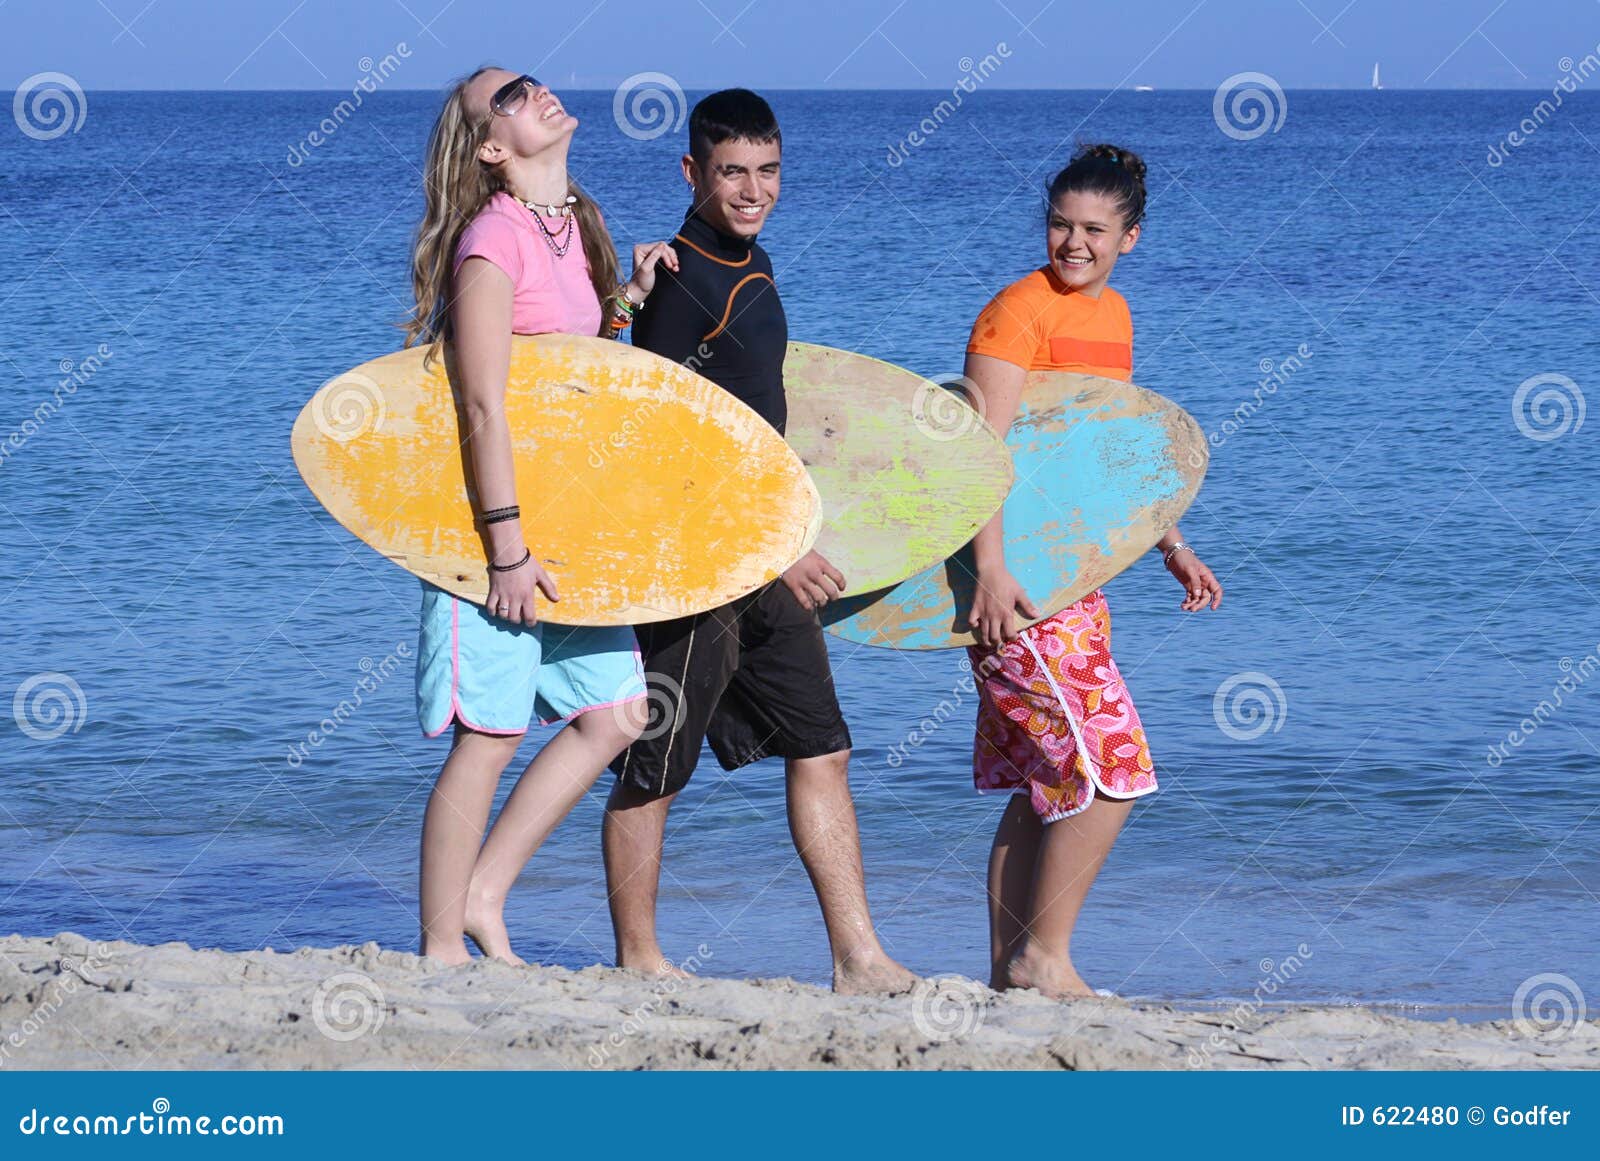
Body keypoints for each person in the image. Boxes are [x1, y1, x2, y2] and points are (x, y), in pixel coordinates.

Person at [601, 89, 915, 995]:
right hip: (698, 561)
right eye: (732, 171)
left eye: (767, 170)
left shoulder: (752, 259)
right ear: (692, 172)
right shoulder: (682, 283)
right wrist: (773, 548)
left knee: (823, 742)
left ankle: (858, 958)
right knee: (656, 759)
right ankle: (638, 960)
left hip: (764, 550)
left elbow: (751, 418)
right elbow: (659, 439)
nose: (753, 189)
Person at [400, 67, 678, 965]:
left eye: (535, 81)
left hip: (568, 529)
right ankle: (441, 948)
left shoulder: (568, 228)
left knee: (616, 714)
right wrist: (508, 551)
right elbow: (483, 406)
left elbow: (568, 383)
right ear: (489, 145)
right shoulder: (491, 240)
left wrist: (626, 299)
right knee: (491, 734)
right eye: (513, 94)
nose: (542, 91)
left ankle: (484, 893)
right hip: (492, 538)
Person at [962, 143, 1223, 998]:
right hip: (1019, 586)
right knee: (1112, 768)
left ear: (1130, 237)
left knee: (1049, 778)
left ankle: (1011, 971)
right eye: (1060, 224)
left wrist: (1171, 544)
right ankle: (1045, 958)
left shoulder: (1115, 318)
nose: (1073, 243)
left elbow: (1111, 456)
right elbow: (980, 454)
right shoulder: (1015, 312)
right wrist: (990, 573)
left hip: (1077, 579)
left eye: (1094, 231)